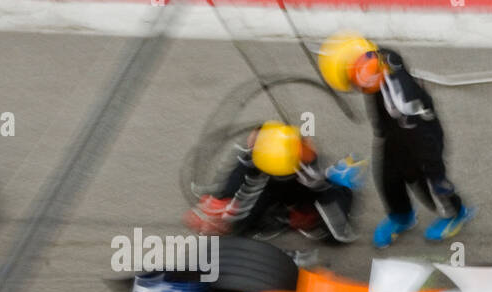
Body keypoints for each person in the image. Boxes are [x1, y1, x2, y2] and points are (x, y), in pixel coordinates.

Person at [319, 33, 474, 246]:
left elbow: (420, 128)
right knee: (388, 178)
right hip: (393, 132)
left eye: (354, 83)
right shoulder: (379, 57)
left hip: (421, 137)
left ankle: (456, 213)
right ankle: (402, 215)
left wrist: (432, 167)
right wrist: (382, 133)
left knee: (430, 184)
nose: (356, 89)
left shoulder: (402, 102)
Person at [184, 120, 360, 242]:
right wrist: (223, 205)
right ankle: (233, 206)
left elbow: (325, 199)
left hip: (301, 188)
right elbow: (241, 179)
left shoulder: (305, 163)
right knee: (241, 225)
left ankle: (338, 174)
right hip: (273, 185)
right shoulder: (259, 150)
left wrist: (305, 217)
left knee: (331, 230)